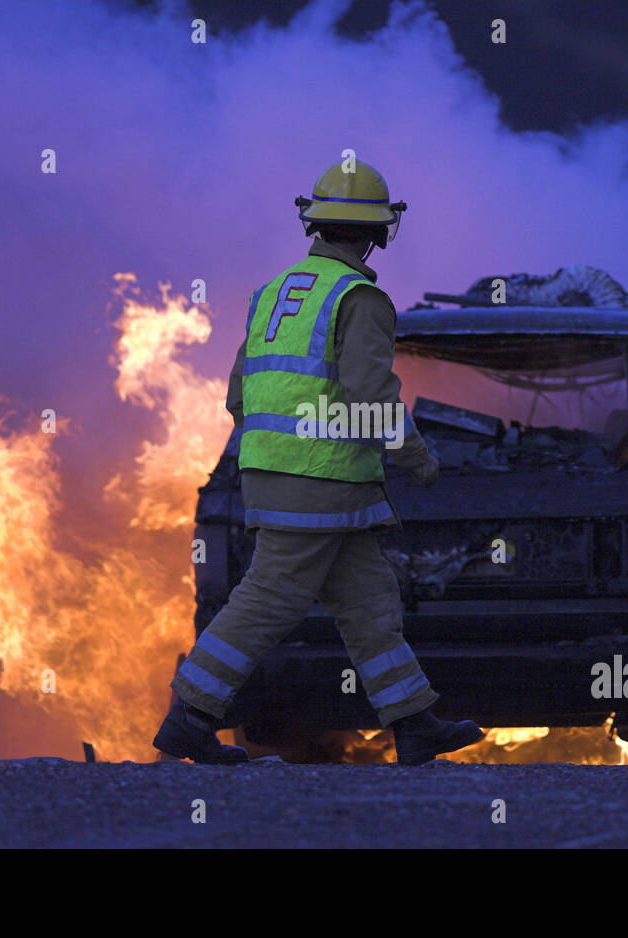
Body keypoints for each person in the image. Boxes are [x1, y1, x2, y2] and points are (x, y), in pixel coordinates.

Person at [153, 159, 485, 765]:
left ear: (316, 225)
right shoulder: (361, 299)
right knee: (269, 599)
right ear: (377, 232)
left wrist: (278, 451)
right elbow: (368, 393)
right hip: (322, 482)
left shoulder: (273, 294)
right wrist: (418, 458)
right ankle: (188, 718)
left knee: (368, 604)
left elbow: (237, 395)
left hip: (291, 481)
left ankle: (413, 723)